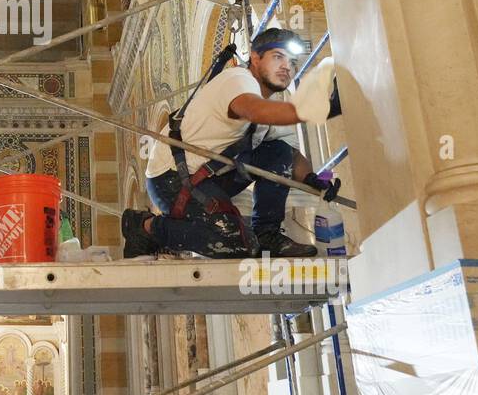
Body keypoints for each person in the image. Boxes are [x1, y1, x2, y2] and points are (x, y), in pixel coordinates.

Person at [123, 28, 341, 259]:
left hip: (212, 174)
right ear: (255, 57)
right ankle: (145, 228)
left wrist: (311, 180)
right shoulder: (238, 81)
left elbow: (288, 156)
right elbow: (254, 110)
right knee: (235, 243)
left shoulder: (269, 104)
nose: (287, 66)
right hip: (171, 178)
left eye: (292, 61)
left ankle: (268, 234)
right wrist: (322, 108)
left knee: (278, 153)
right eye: (278, 57)